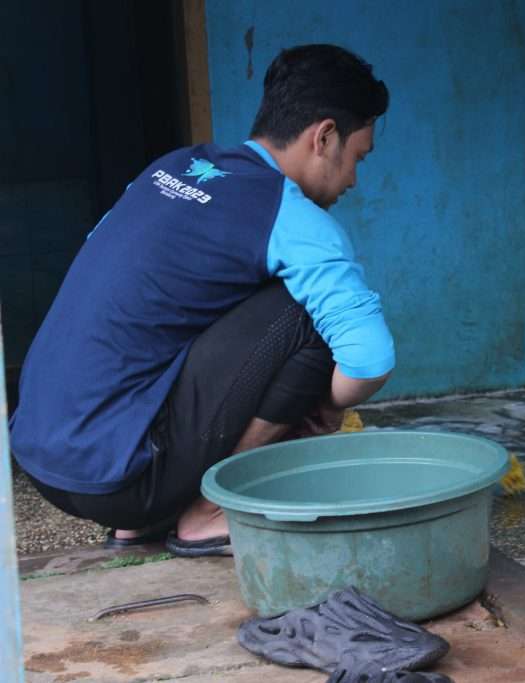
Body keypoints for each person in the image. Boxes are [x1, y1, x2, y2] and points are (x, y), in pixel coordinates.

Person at [10, 44, 395, 557]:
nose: (352, 180)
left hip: (39, 456)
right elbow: (370, 361)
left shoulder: (173, 169)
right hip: (121, 480)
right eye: (357, 158)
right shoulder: (289, 216)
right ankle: (209, 512)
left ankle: (147, 520)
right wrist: (316, 407)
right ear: (324, 137)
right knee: (308, 316)